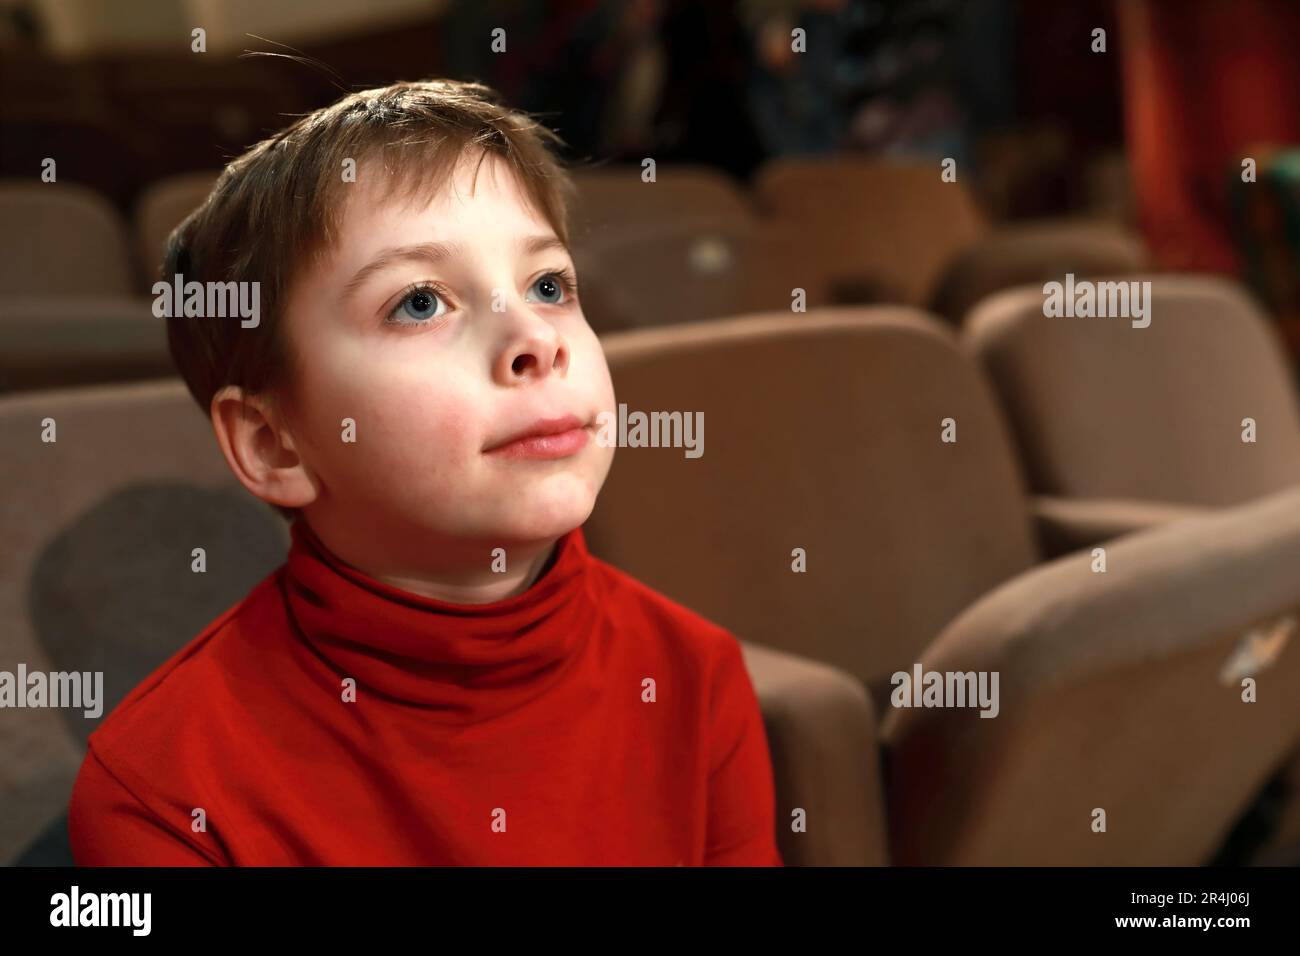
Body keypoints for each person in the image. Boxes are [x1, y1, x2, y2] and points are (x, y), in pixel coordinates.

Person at [66, 79, 783, 867]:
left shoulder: (694, 675)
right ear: (275, 444)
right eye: (418, 303)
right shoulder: (160, 792)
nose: (535, 338)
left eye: (549, 285)